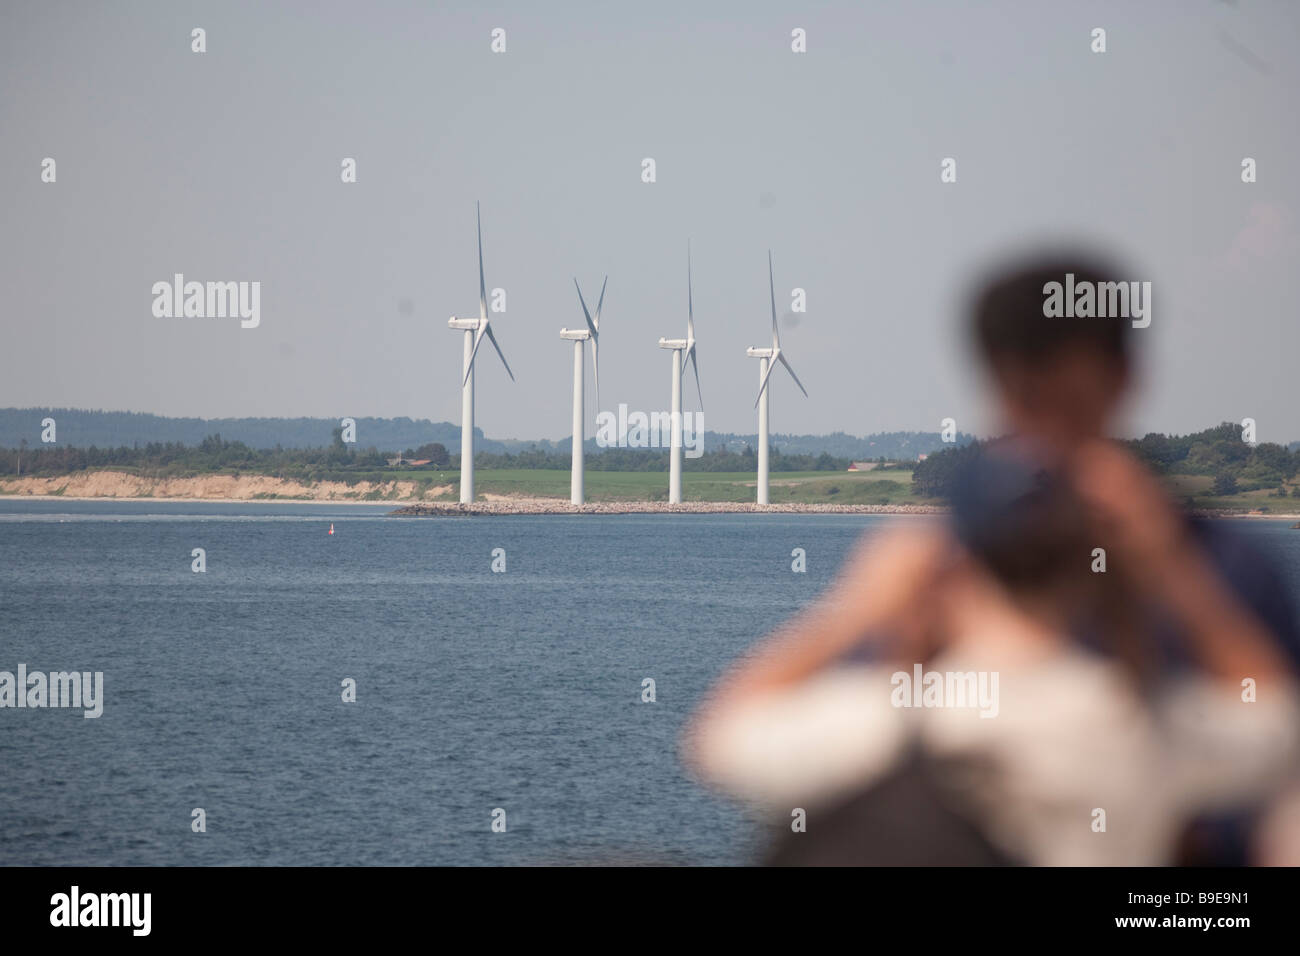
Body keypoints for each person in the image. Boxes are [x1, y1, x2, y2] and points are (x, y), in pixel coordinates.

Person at [683, 254, 1300, 865]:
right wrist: (1179, 575)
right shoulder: (1154, 691)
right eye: (1029, 394)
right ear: (1128, 375)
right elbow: (1277, 727)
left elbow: (726, 735)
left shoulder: (930, 588)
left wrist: (863, 606)